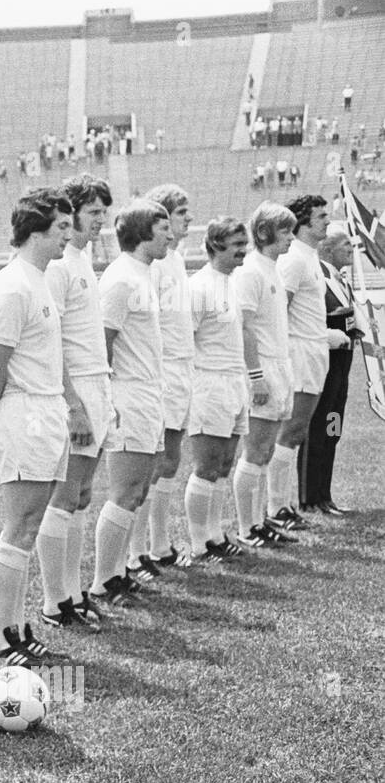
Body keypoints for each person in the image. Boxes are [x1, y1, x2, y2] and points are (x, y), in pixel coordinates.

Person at [0, 188, 75, 666]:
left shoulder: (41, 279)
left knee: (31, 526)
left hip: (47, 411)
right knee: (18, 528)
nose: (68, 235)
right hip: (23, 415)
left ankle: (16, 628)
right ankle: (0, 637)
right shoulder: (13, 286)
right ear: (35, 231)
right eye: (61, 227)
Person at [37, 174, 114, 629]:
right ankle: (54, 601)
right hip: (76, 388)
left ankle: (72, 591)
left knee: (82, 496)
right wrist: (74, 404)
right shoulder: (60, 265)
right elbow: (54, 342)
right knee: (64, 498)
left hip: (96, 384)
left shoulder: (83, 260)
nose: (100, 221)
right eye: (93, 213)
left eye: (104, 213)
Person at [89, 200, 173, 605]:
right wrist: (110, 399)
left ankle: (118, 570)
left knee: (139, 489)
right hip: (128, 393)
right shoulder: (121, 279)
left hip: (149, 393)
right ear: (142, 233)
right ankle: (102, 581)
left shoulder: (143, 276)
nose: (171, 236)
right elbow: (102, 342)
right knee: (124, 491)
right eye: (163, 229)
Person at [184, 217, 252, 565]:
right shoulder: (198, 287)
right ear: (214, 246)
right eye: (237, 244)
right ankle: (198, 545)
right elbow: (185, 341)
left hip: (234, 381)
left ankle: (215, 535)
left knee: (224, 464)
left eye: (245, 242)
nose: (244, 249)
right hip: (208, 384)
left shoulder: (232, 283)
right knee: (206, 465)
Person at [232, 202, 298, 548]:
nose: (290, 237)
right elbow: (243, 326)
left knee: (267, 450)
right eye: (285, 230)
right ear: (263, 233)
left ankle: (259, 520)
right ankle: (247, 527)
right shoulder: (251, 272)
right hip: (263, 369)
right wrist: (255, 375)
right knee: (255, 449)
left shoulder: (274, 269)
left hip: (280, 365)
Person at [136, 184, 195, 574]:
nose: (188, 219)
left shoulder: (176, 259)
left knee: (170, 460)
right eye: (181, 212)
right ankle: (138, 551)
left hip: (182, 367)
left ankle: (159, 544)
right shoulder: (154, 265)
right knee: (153, 465)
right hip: (162, 371)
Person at [269, 194, 333, 531]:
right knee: (291, 431)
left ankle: (281, 503)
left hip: (313, 350)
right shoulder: (294, 259)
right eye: (321, 216)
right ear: (303, 222)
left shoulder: (309, 257)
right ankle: (276, 505)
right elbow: (281, 309)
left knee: (297, 431)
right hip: (300, 352)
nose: (327, 221)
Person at [299, 227, 357, 514]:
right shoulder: (317, 278)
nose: (352, 246)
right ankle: (309, 496)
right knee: (317, 429)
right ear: (327, 248)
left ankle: (325, 493)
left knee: (333, 427)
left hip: (343, 369)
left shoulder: (341, 281)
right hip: (325, 365)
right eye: (345, 242)